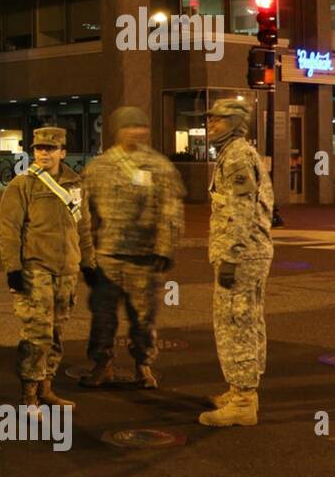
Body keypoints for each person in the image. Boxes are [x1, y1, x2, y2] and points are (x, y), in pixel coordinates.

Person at [79, 107, 185, 389]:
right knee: (102, 316)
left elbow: (171, 211)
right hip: (107, 257)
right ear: (117, 131)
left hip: (144, 257)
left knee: (143, 317)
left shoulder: (159, 166)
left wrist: (165, 250)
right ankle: (102, 364)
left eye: (141, 127)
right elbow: (85, 215)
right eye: (129, 127)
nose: (136, 132)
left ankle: (143, 365)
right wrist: (85, 257)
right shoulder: (98, 167)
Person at [0, 126, 96, 408]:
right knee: (36, 332)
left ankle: (46, 388)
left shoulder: (75, 184)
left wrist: (89, 263)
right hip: (35, 268)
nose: (43, 153)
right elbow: (8, 230)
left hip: (67, 270)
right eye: (39, 148)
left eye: (50, 149)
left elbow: (84, 228)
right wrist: (12, 269)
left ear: (63, 152)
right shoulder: (23, 185)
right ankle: (29, 395)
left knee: (56, 332)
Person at [199, 97, 273, 427]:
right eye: (210, 118)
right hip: (249, 252)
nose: (211, 123)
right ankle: (242, 389)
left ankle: (243, 400)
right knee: (247, 319)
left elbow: (239, 212)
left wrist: (230, 257)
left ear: (236, 124)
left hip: (242, 255)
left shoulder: (238, 156)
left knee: (236, 322)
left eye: (218, 119)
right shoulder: (233, 153)